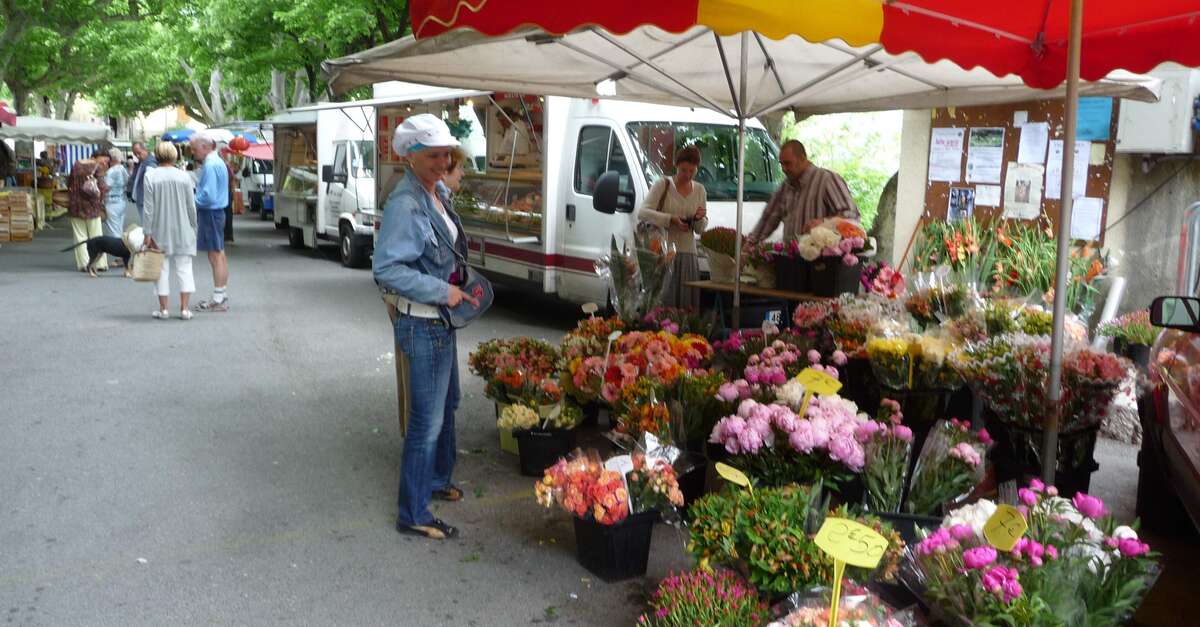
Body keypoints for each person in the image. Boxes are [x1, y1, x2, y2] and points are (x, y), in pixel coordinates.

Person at [374, 114, 479, 540]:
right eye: (434, 155)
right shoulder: (406, 204)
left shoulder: (434, 195)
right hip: (423, 323)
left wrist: (460, 286)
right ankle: (413, 511)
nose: (443, 161)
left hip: (441, 321)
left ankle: (436, 481)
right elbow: (386, 270)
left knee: (447, 404)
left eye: (446, 154)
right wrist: (441, 290)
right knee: (426, 421)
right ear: (412, 157)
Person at [746, 140, 859, 246]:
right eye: (781, 164)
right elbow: (769, 217)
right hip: (791, 258)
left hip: (822, 260)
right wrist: (750, 243)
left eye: (788, 163)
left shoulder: (827, 180)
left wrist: (823, 223)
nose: (784, 169)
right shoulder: (785, 186)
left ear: (802, 159)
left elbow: (851, 215)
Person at [637, 145, 708, 309]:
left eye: (692, 171)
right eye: (683, 170)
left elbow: (700, 228)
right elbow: (643, 212)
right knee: (664, 301)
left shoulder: (700, 191)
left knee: (685, 305)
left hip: (688, 254)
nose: (687, 175)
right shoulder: (663, 185)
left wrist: (698, 219)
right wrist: (671, 219)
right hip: (664, 253)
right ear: (676, 165)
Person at [142, 142, 198, 320]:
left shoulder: (150, 176)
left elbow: (148, 209)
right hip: (183, 228)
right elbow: (191, 206)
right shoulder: (184, 177)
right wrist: (194, 227)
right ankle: (184, 309)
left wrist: (147, 233)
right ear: (175, 156)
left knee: (161, 268)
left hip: (159, 228)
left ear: (157, 156)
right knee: (184, 268)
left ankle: (164, 309)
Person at [191, 132, 231, 312]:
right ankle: (221, 293)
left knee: (214, 255)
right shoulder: (218, 161)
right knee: (219, 254)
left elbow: (208, 195)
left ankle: (218, 297)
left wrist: (192, 201)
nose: (193, 153)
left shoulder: (210, 164)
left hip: (210, 212)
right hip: (217, 212)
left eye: (194, 149)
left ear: (205, 147)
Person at [65, 150, 110, 272]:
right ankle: (99, 264)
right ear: (95, 157)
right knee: (96, 236)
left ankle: (84, 264)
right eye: (104, 160)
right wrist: (102, 198)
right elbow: (103, 187)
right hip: (92, 206)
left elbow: (69, 183)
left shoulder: (76, 165)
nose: (105, 163)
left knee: (80, 236)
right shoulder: (96, 167)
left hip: (76, 205)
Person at [103, 147, 129, 240]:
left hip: (111, 202)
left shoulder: (111, 171)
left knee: (114, 231)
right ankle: (121, 250)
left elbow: (106, 187)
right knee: (119, 229)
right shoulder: (123, 169)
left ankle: (118, 251)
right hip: (121, 200)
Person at [130, 142, 158, 224]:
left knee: (147, 225)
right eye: (135, 154)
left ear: (145, 150)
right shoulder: (141, 162)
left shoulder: (151, 164)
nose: (137, 156)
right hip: (141, 199)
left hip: (145, 201)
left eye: (139, 153)